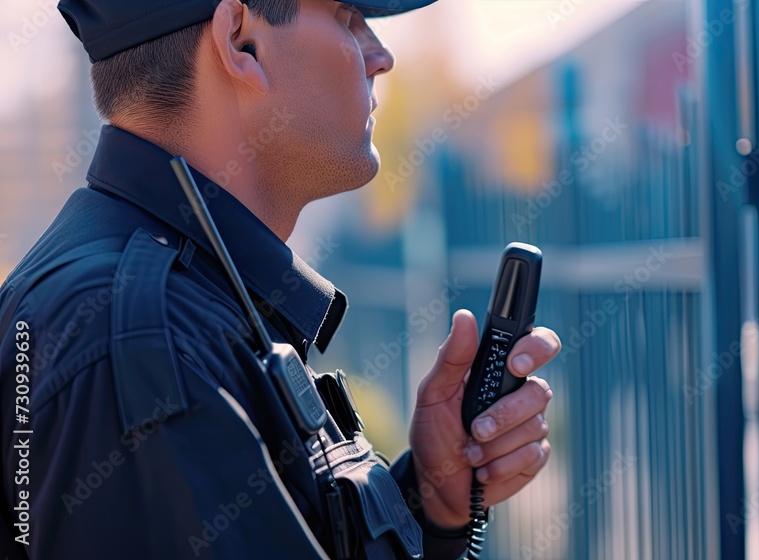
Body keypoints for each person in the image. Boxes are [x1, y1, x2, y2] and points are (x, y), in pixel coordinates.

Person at [0, 1, 561, 558]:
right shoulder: (143, 343)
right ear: (242, 41)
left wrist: (429, 504)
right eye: (348, 16)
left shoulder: (171, 302)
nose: (382, 56)